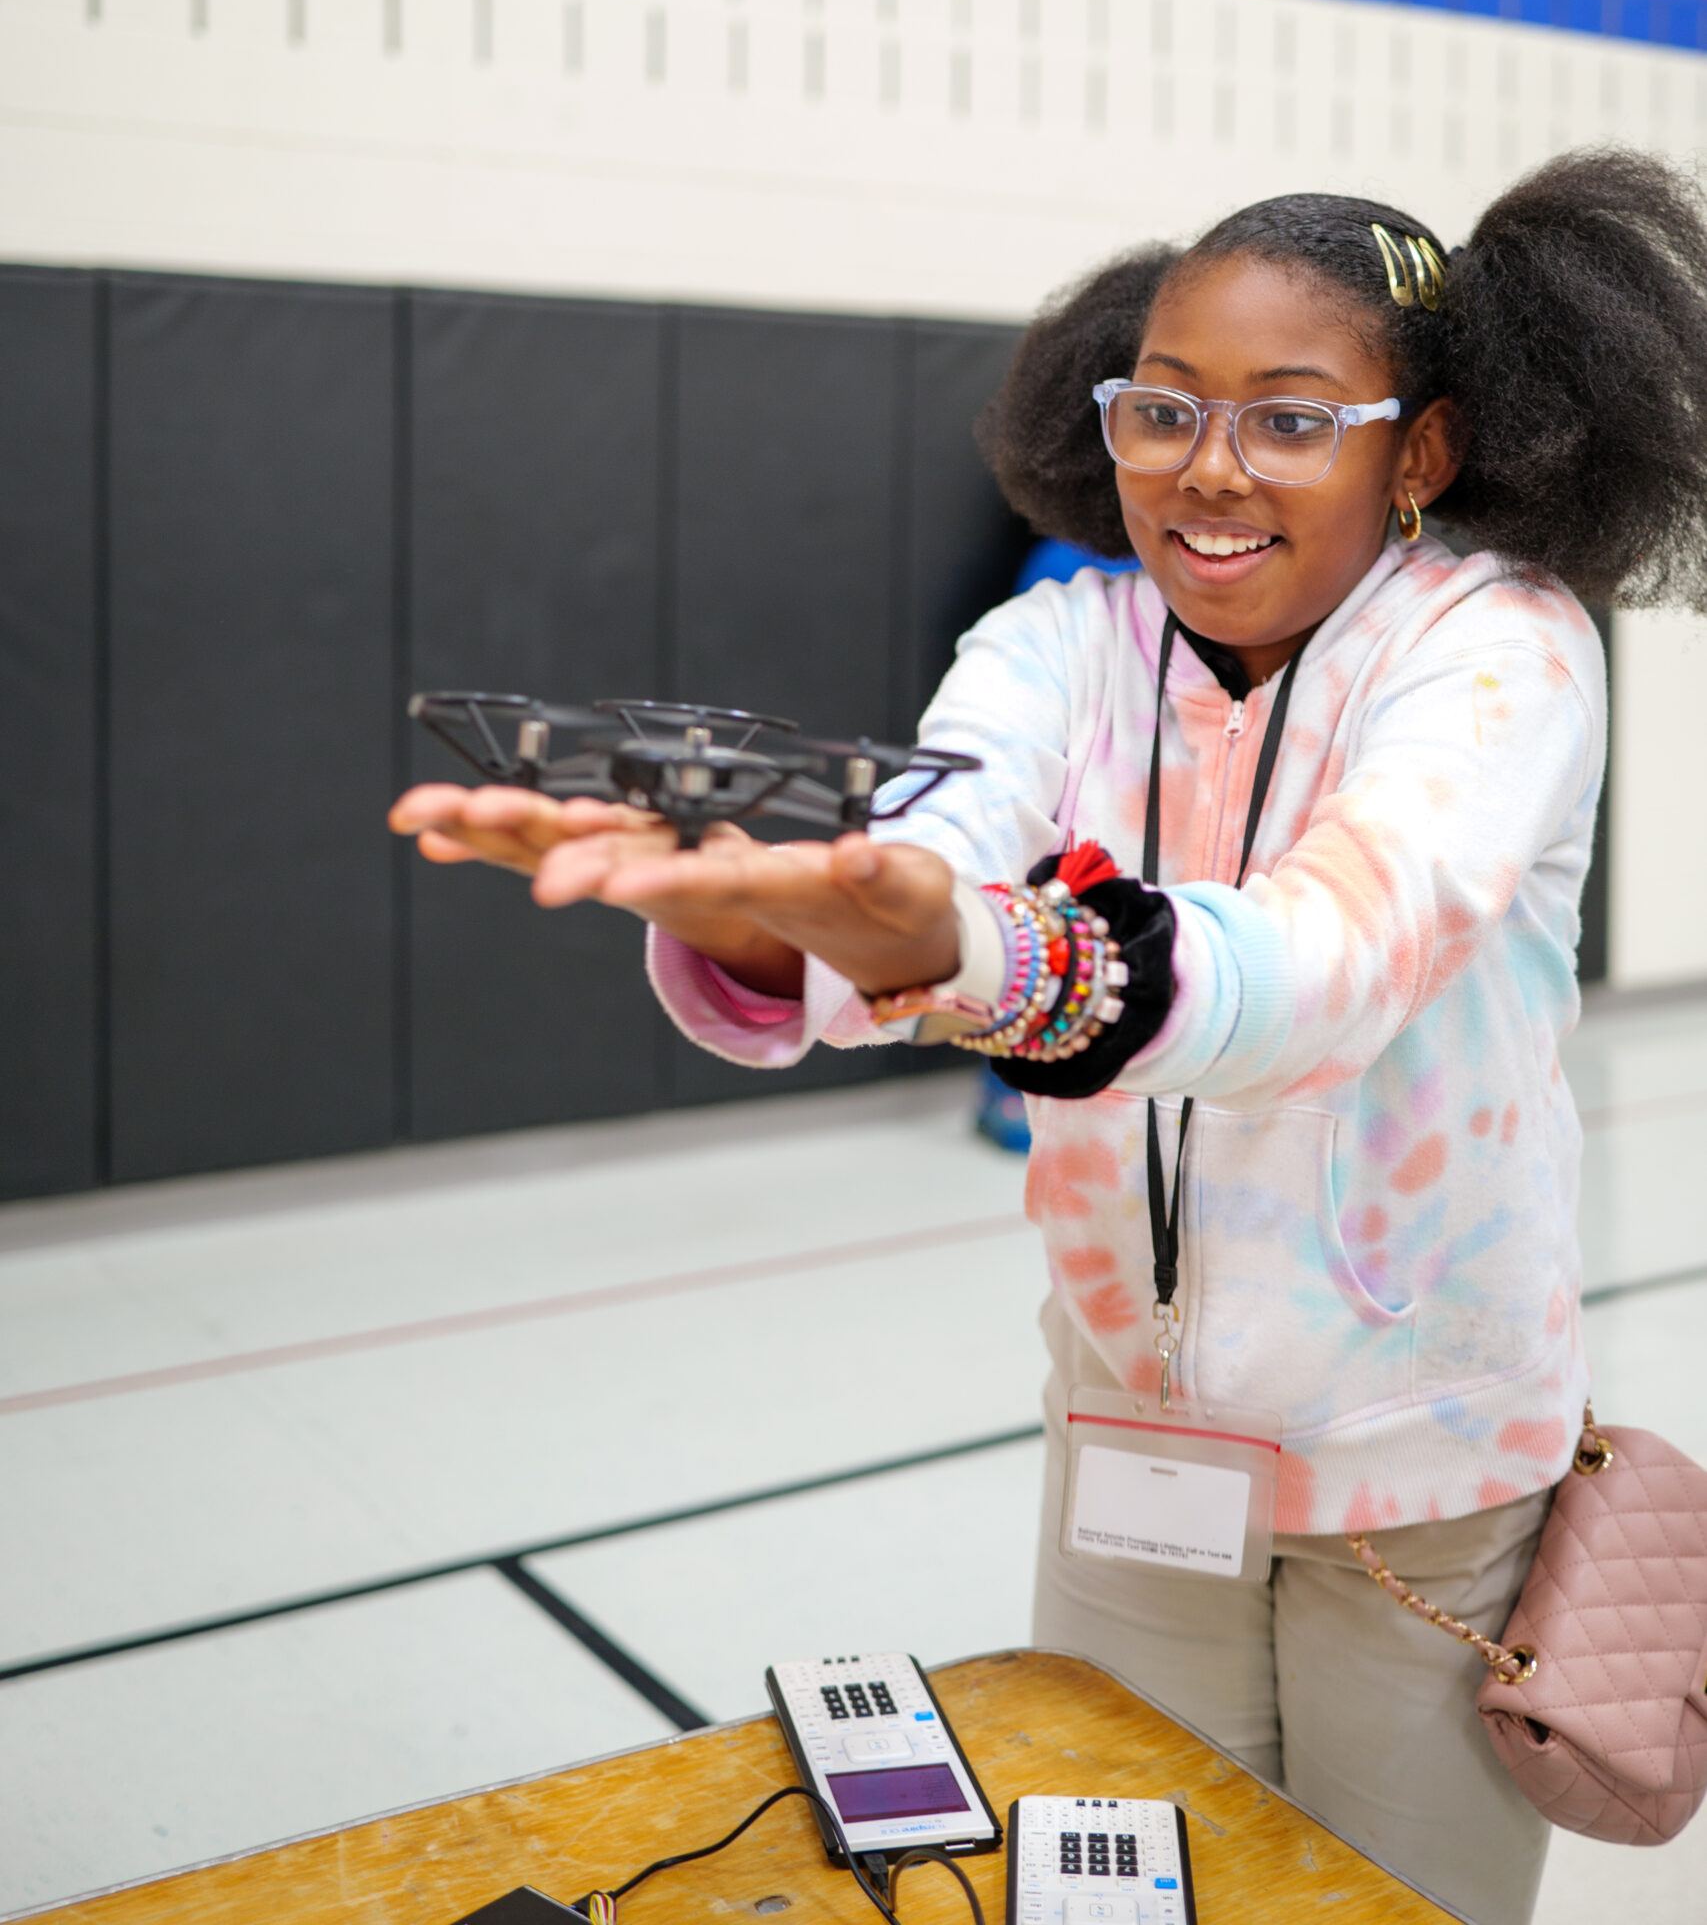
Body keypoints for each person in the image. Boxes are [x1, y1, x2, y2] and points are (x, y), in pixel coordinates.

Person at [392, 149, 1707, 1925]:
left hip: (1427, 1485)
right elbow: (926, 870)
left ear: (1425, 448)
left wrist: (990, 954)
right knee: (1125, 1899)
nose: (1210, 469)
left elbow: (1326, 963)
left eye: (1290, 419)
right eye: (1161, 410)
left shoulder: (1502, 651)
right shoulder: (1055, 645)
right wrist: (756, 913)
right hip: (1129, 1448)